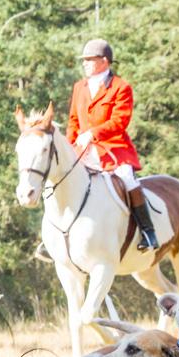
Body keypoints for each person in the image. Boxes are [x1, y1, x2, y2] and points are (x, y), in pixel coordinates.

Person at [66, 39, 157, 251]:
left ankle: (148, 231)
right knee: (63, 178)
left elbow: (119, 121)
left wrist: (93, 133)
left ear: (104, 61)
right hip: (83, 150)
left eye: (90, 60)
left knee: (128, 179)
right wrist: (71, 146)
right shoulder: (79, 87)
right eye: (84, 60)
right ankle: (56, 237)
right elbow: (73, 121)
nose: (85, 64)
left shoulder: (121, 87)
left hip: (113, 149)